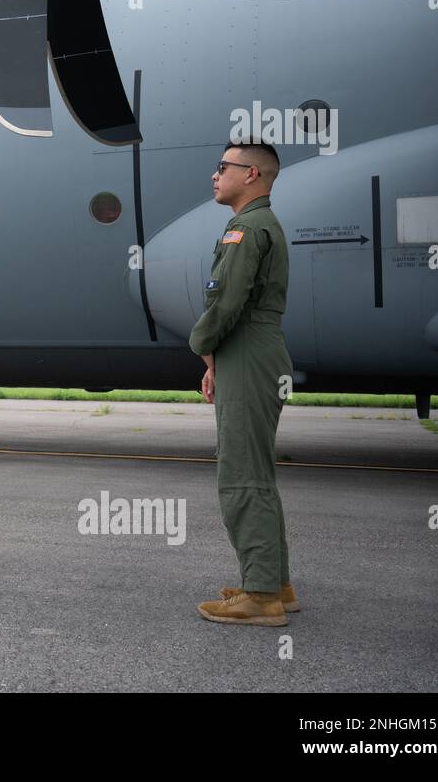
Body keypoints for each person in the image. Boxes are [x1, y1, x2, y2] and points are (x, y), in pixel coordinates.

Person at [191, 141, 297, 626]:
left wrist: (201, 344)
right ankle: (274, 582)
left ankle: (260, 596)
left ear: (251, 174)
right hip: (252, 352)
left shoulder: (246, 228)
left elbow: (227, 304)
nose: (215, 175)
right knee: (258, 475)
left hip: (248, 351)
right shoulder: (259, 224)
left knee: (242, 476)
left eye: (223, 167)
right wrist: (217, 363)